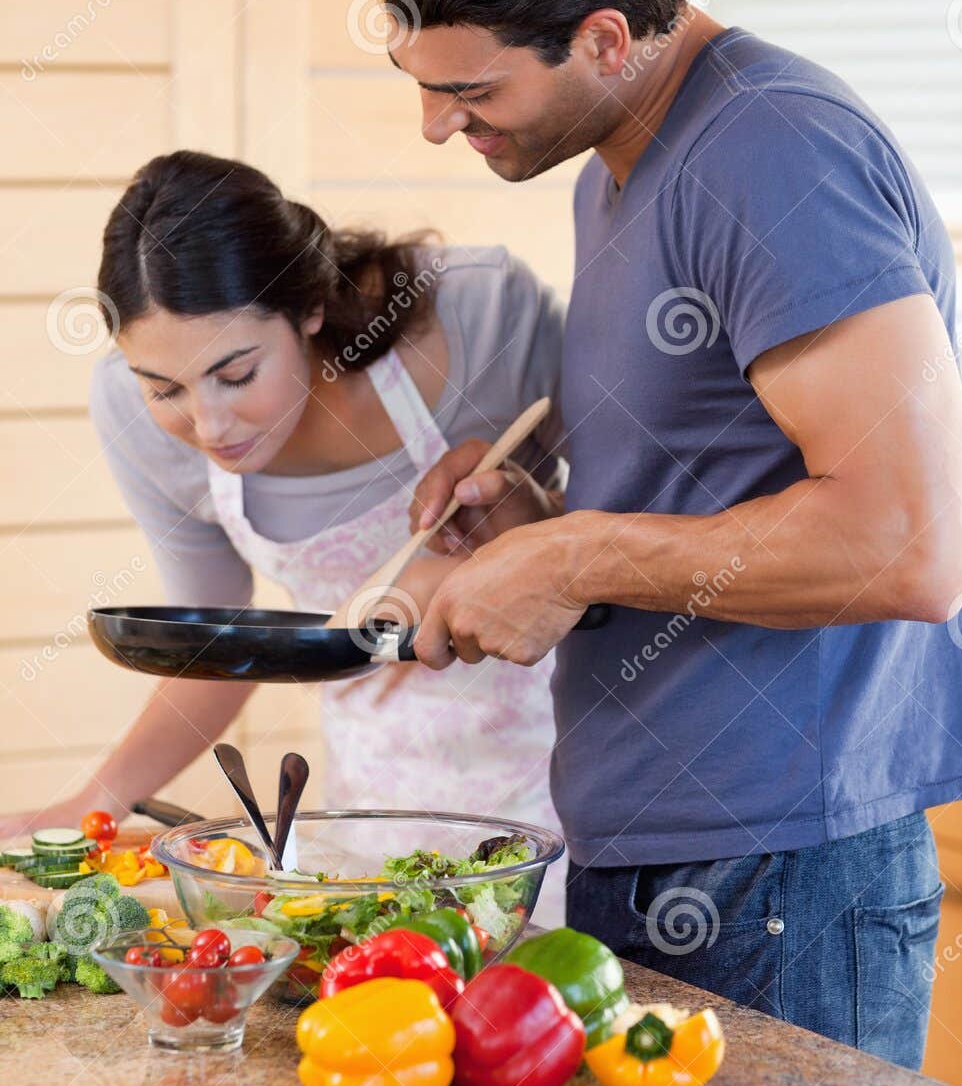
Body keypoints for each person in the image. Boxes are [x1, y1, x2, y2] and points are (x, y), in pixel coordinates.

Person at [348, 0, 962, 1069]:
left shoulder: (768, 151)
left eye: (469, 90)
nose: (438, 126)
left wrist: (573, 562)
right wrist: (534, 520)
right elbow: (724, 485)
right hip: (683, 851)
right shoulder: (625, 155)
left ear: (603, 35)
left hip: (779, 871)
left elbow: (908, 541)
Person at [6, 151, 569, 922]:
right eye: (165, 388)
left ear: (307, 308)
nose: (208, 425)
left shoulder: (484, 313)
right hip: (371, 801)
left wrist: (502, 549)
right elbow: (219, 646)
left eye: (236, 375)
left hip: (561, 784)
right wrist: (97, 803)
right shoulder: (131, 412)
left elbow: (636, 518)